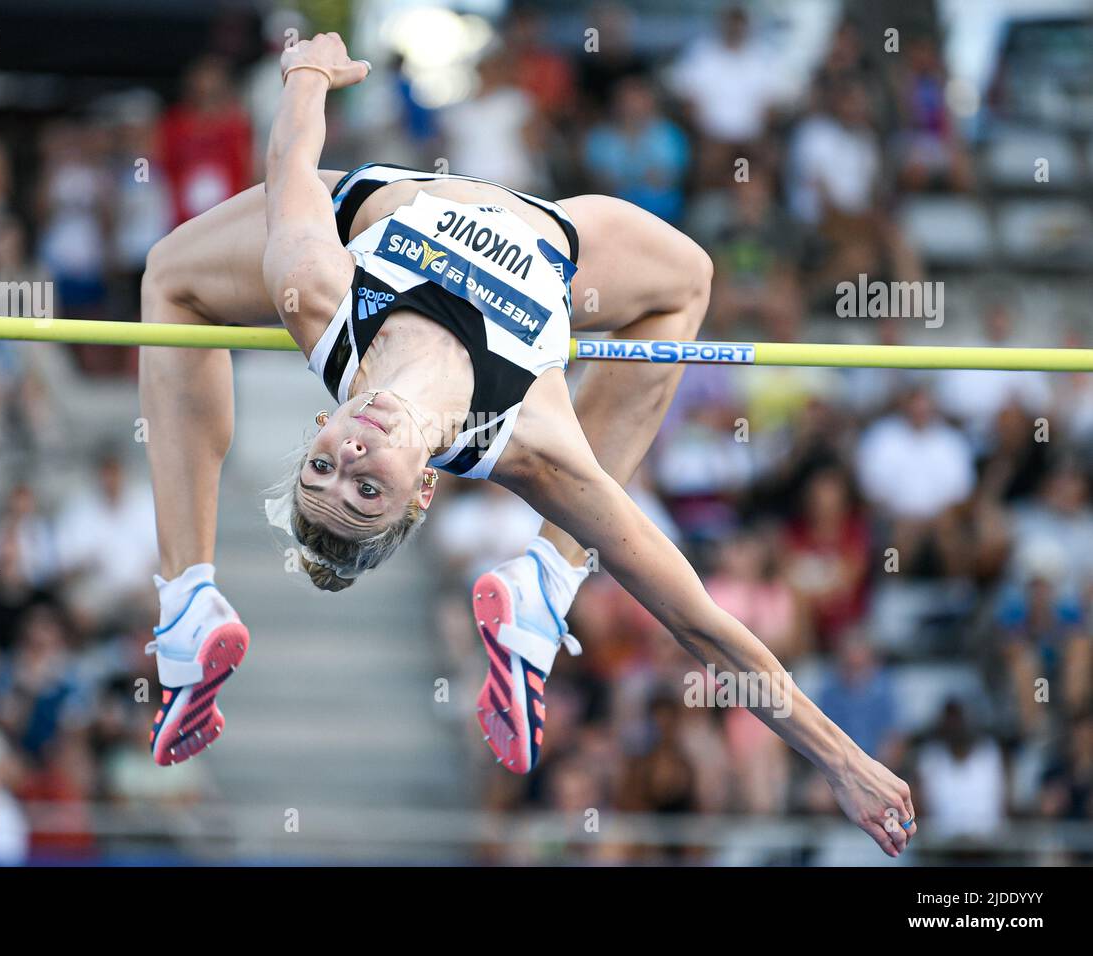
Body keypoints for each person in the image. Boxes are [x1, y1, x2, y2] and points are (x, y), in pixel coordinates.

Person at [138, 33, 915, 857]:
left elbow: (294, 152)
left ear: (319, 430)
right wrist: (841, 759)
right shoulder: (535, 442)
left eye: (323, 466)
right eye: (367, 491)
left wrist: (307, 73)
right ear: (423, 491)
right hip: (557, 242)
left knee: (169, 278)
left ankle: (187, 598)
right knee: (687, 279)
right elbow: (700, 622)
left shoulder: (318, 297)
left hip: (364, 201)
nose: (353, 460)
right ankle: (549, 575)